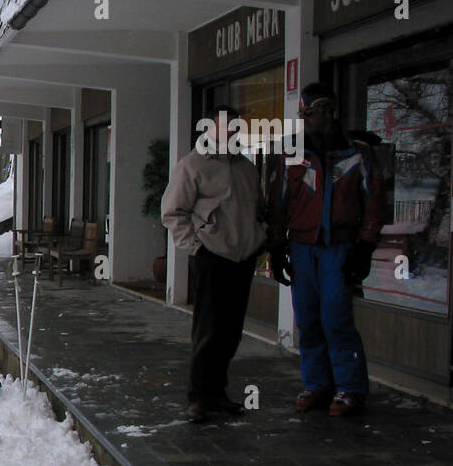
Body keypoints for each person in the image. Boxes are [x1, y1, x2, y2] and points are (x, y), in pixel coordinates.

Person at [267, 81, 384, 417]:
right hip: (302, 247)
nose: (306, 120)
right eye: (302, 113)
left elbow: (374, 204)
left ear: (329, 112)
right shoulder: (291, 153)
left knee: (337, 319)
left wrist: (365, 247)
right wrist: (277, 247)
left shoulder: (357, 152)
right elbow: (279, 203)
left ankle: (350, 387)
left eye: (311, 113)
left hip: (340, 246)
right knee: (307, 318)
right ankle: (316, 384)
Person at [161, 106, 264, 423]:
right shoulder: (193, 166)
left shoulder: (246, 168)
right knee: (208, 330)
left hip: (242, 259)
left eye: (236, 128)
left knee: (231, 331)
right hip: (212, 258)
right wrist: (196, 248)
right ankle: (199, 397)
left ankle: (218, 393)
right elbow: (173, 212)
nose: (232, 132)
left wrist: (262, 237)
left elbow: (258, 208)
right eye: (225, 127)